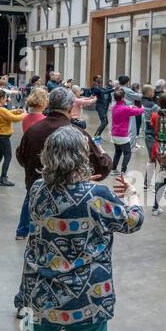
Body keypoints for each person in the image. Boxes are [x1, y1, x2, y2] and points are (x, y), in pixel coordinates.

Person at [11, 126, 144, 331]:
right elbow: (131, 222)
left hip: (40, 296)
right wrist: (133, 195)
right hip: (88, 299)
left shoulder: (38, 190)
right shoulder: (96, 196)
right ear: (81, 156)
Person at [15, 87, 112, 239]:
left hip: (37, 191)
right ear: (70, 106)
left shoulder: (33, 130)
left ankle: (22, 232)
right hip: (70, 200)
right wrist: (103, 153)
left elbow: (21, 157)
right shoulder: (78, 133)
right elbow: (101, 168)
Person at [0, 89, 25, 188]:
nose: (7, 99)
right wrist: (24, 114)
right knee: (7, 157)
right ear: (1, 99)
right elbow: (15, 119)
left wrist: (16, 111)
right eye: (6, 98)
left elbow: (7, 113)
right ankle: (3, 179)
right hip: (3, 137)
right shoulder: (2, 110)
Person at [109, 89, 143, 174]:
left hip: (114, 134)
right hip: (122, 135)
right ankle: (123, 171)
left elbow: (124, 108)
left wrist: (130, 107)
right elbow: (139, 112)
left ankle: (113, 169)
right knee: (127, 153)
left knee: (117, 152)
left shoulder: (113, 107)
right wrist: (142, 107)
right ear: (123, 98)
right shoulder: (125, 109)